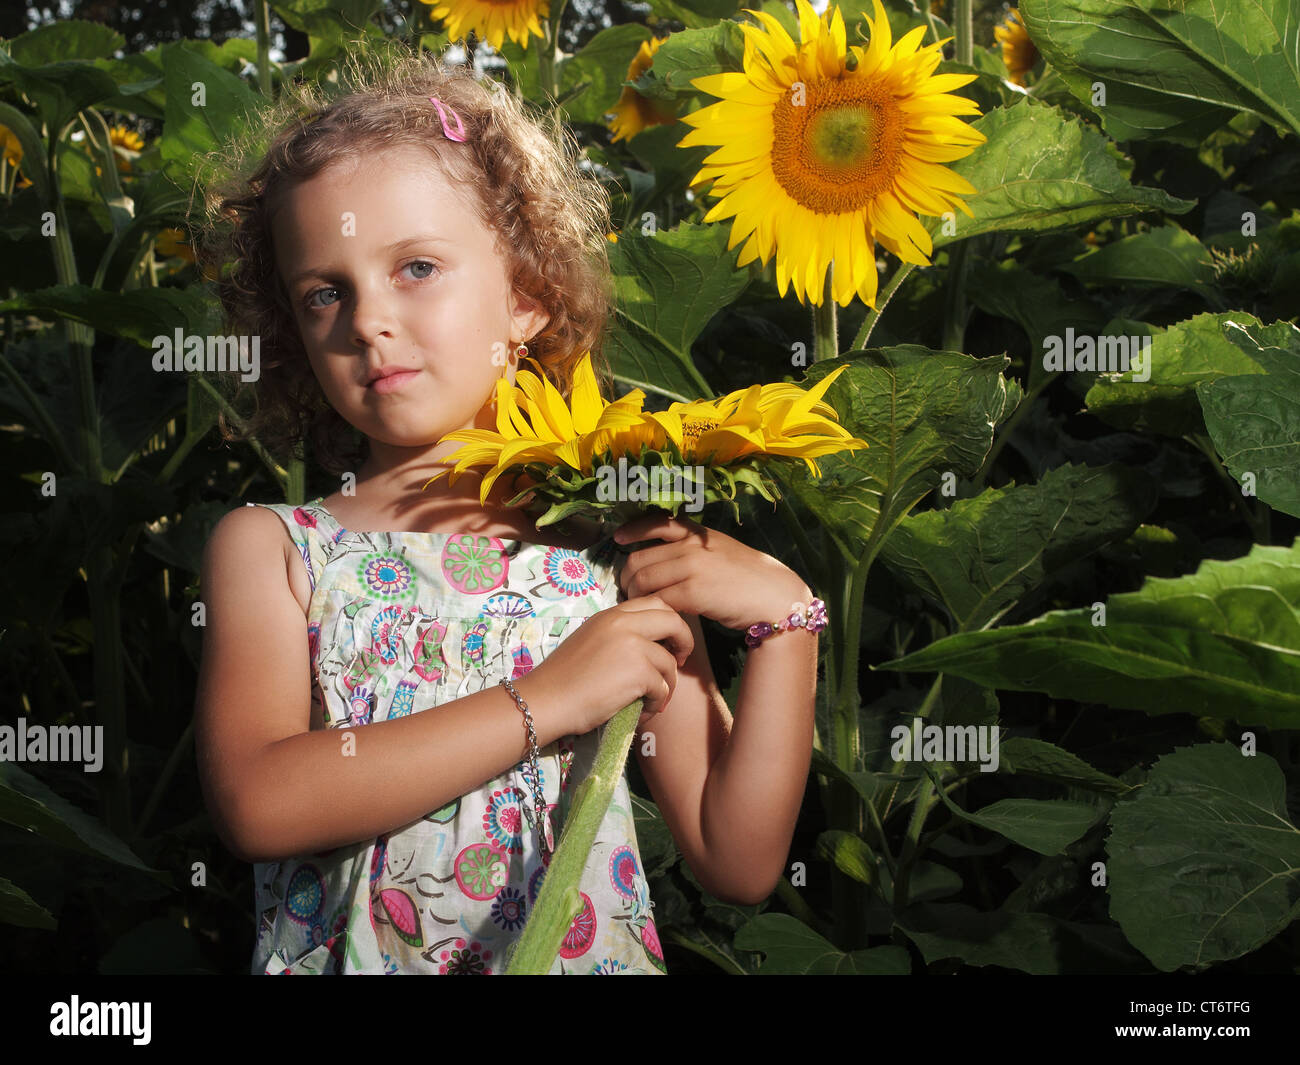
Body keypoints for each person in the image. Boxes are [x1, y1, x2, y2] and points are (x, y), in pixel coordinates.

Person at [191, 49, 822, 975]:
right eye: (325, 291)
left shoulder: (616, 545)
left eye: (415, 267)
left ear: (526, 295)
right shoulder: (277, 549)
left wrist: (788, 619)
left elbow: (736, 856)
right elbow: (258, 800)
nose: (366, 320)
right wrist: (549, 699)